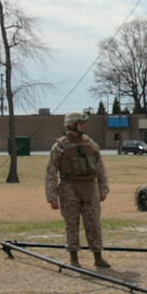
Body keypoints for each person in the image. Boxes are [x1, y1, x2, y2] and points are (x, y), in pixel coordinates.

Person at [45, 111, 111, 268]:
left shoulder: (91, 144)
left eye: (83, 123)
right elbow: (51, 171)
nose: (83, 125)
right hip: (69, 188)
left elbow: (100, 168)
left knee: (94, 223)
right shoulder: (59, 146)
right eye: (79, 123)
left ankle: (98, 256)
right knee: (72, 224)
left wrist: (103, 188)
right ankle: (74, 258)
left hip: (90, 187)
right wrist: (52, 196)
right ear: (70, 125)